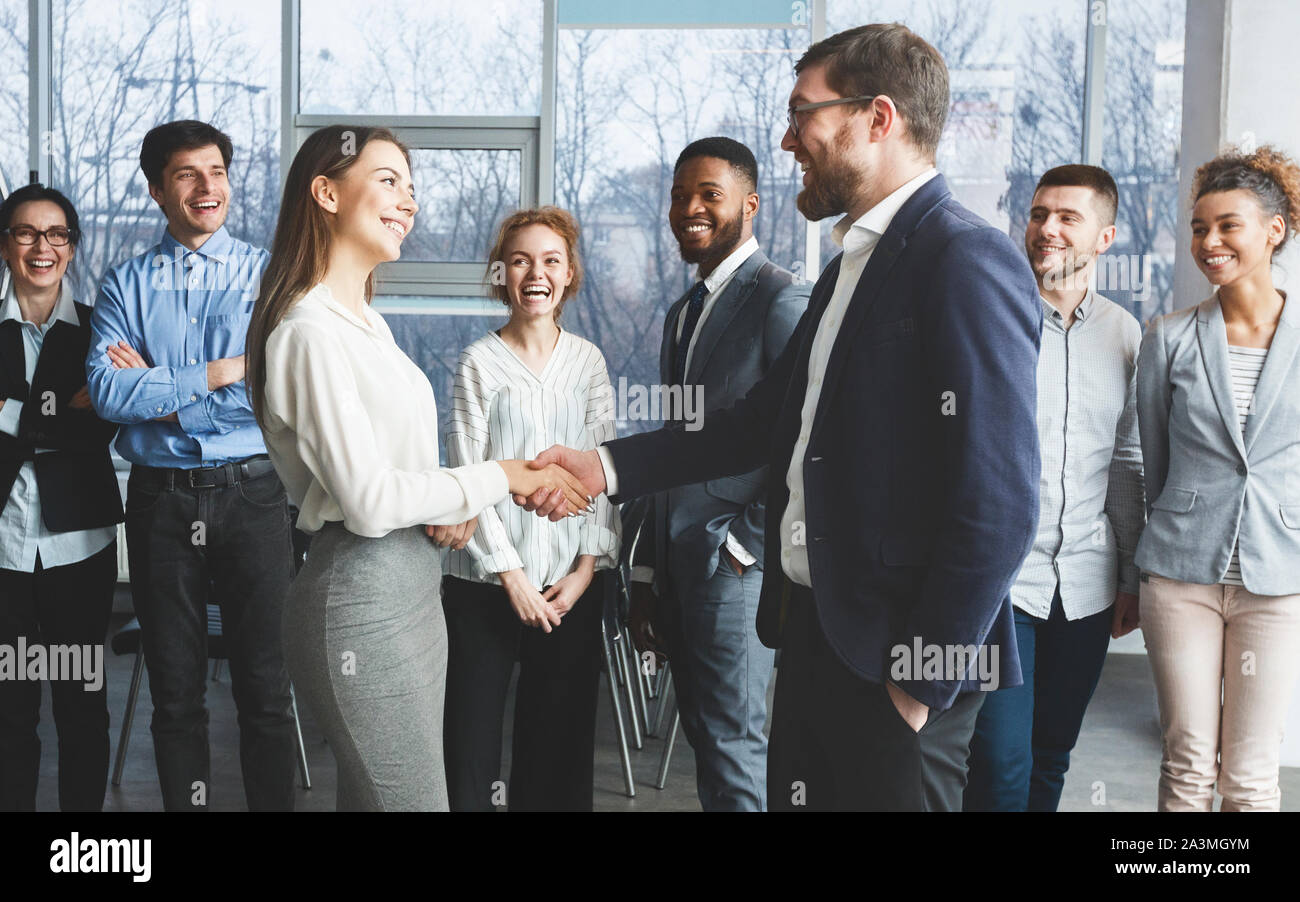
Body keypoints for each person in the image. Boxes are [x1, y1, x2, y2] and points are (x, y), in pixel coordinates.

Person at [518, 23, 1040, 811]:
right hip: (811, 638)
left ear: (878, 118)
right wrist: (607, 468)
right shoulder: (846, 269)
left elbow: (1001, 501)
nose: (789, 138)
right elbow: (758, 424)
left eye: (805, 114)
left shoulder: (965, 257)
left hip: (893, 668)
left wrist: (920, 683)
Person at [246, 126, 593, 812]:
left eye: (412, 186)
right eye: (388, 180)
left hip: (412, 587)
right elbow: (369, 501)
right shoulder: (308, 331)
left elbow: (393, 472)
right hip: (358, 598)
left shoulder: (366, 323)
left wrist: (446, 503)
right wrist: (499, 477)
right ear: (325, 192)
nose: (408, 200)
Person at [86, 120, 298, 811]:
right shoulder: (125, 284)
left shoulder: (271, 276)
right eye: (187, 174)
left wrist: (166, 392)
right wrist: (219, 371)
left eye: (217, 172)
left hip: (257, 497)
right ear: (156, 190)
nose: (207, 188)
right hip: (160, 504)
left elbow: (274, 394)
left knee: (266, 693)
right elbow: (109, 395)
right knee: (174, 696)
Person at [625, 137, 808, 811]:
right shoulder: (681, 317)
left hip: (736, 571)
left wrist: (745, 545)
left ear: (750, 205)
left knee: (735, 750)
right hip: (676, 566)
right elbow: (674, 449)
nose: (689, 209)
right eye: (679, 196)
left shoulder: (783, 301)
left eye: (709, 195)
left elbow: (802, 446)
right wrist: (646, 572)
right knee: (707, 743)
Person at [963, 165, 1144, 812]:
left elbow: (1126, 464)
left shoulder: (1125, 335)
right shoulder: (987, 317)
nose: (1048, 229)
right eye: (1040, 214)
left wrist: (1128, 578)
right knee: (998, 761)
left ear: (1105, 237)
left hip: (1088, 584)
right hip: (1001, 584)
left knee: (1050, 757)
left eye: (1069, 217)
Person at [1134, 145, 1300, 812]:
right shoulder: (1168, 338)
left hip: (1278, 580)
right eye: (1200, 228)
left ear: (1274, 230)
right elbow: (1151, 459)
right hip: (1180, 579)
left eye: (1228, 225)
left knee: (1253, 776)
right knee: (1187, 764)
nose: (1210, 242)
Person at [441, 206, 621, 812]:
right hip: (484, 587)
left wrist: (586, 569)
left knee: (560, 746)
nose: (535, 273)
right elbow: (470, 477)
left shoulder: (589, 363)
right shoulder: (477, 364)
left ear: (569, 274)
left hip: (570, 585)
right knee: (470, 741)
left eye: (550, 260)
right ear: (502, 274)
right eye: (520, 260)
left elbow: (600, 473)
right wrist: (508, 574)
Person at [0, 184, 122, 811]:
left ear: (71, 248)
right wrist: (61, 415)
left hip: (79, 546)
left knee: (80, 704)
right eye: (25, 233)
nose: (41, 247)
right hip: (3, 552)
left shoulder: (102, 328)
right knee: (10, 710)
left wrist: (11, 413)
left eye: (56, 235)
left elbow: (112, 420)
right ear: (6, 244)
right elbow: (79, 421)